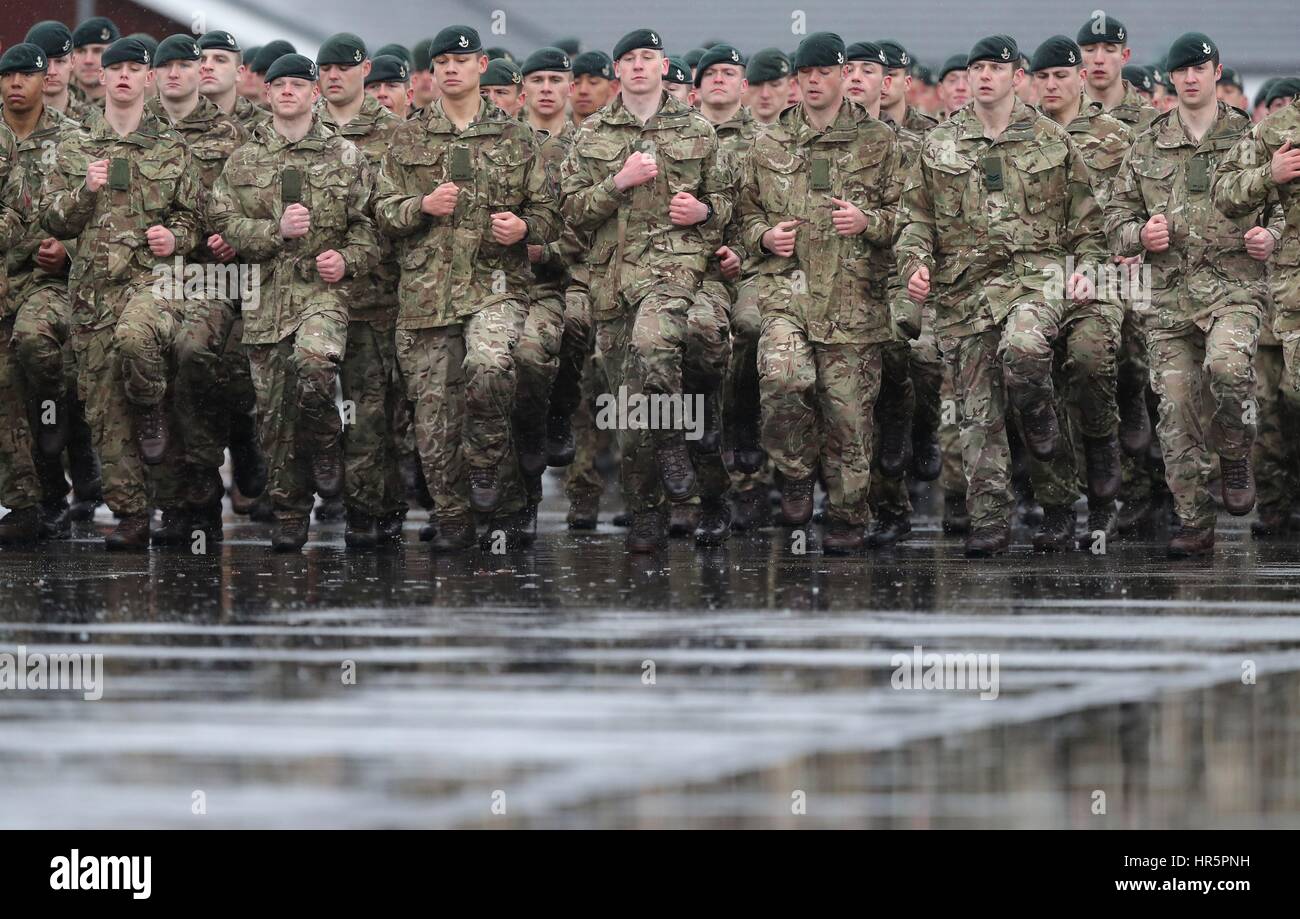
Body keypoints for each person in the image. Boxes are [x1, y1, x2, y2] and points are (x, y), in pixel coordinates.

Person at [897, 35, 1108, 557]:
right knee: (976, 411)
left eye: (997, 67)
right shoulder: (941, 145)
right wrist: (916, 264)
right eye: (977, 68)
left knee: (1024, 348)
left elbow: (1089, 224)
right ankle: (989, 518)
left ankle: (1056, 498)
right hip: (964, 293)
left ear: (1017, 77)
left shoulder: (1052, 140)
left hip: (1037, 282)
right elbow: (915, 220)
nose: (985, 76)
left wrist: (1088, 270)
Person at [374, 26, 559, 552]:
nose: (451, 68)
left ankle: (491, 480)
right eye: (441, 62)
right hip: (426, 299)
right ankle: (453, 515)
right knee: (433, 420)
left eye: (461, 60)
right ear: (431, 73)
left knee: (489, 366)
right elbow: (383, 212)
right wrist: (420, 207)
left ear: (483, 65)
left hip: (496, 288)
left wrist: (525, 229)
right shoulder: (405, 138)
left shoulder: (516, 138)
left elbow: (549, 211)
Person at [560, 27, 729, 551]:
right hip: (612, 282)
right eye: (628, 58)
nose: (638, 66)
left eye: (647, 57)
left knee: (655, 344)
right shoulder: (592, 135)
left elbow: (727, 203)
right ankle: (647, 512)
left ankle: (687, 462)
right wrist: (618, 183)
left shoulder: (698, 131)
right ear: (618, 71)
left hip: (674, 275)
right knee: (629, 411)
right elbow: (571, 210)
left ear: (663, 66)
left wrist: (704, 212)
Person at [1108, 33, 1276, 557]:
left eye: (1199, 67)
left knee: (1227, 369)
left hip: (1234, 288)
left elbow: (1283, 209)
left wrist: (1271, 235)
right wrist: (1139, 235)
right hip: (1170, 299)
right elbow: (1114, 216)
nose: (1190, 77)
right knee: (1176, 405)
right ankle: (1192, 521)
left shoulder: (1249, 137)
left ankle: (1232, 452)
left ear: (1217, 71)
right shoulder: (1147, 143)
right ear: (1172, 78)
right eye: (1180, 70)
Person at [734, 31, 902, 552]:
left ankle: (850, 514)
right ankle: (795, 474)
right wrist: (763, 236)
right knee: (783, 379)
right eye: (802, 75)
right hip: (787, 293)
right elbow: (740, 218)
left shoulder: (878, 141)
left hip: (855, 300)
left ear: (840, 76)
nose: (811, 82)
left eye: (821, 73)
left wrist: (869, 222)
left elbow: (912, 218)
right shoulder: (767, 143)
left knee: (849, 417)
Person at [208, 53, 380, 551]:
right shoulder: (243, 159)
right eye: (278, 83)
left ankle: (328, 445)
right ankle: (289, 512)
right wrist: (272, 232)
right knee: (274, 415)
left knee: (315, 365)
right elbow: (224, 222)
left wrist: (346, 260)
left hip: (321, 295)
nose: (287, 90)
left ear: (314, 94)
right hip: (264, 301)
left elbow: (370, 229)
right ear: (266, 94)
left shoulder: (346, 157)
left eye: (297, 84)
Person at [42, 37, 205, 550]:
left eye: (137, 69)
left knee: (138, 342)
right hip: (92, 292)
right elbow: (52, 219)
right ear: (105, 79)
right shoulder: (73, 145)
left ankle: (174, 496)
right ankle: (133, 514)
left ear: (148, 80)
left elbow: (195, 215)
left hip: (154, 282)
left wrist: (175, 236)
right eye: (117, 70)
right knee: (106, 410)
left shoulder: (171, 146)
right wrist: (83, 191)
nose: (126, 77)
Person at [1213, 59, 1300, 540]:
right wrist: (1271, 173)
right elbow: (1226, 195)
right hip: (1272, 299)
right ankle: (1276, 504)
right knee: (1269, 404)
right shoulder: (1274, 137)